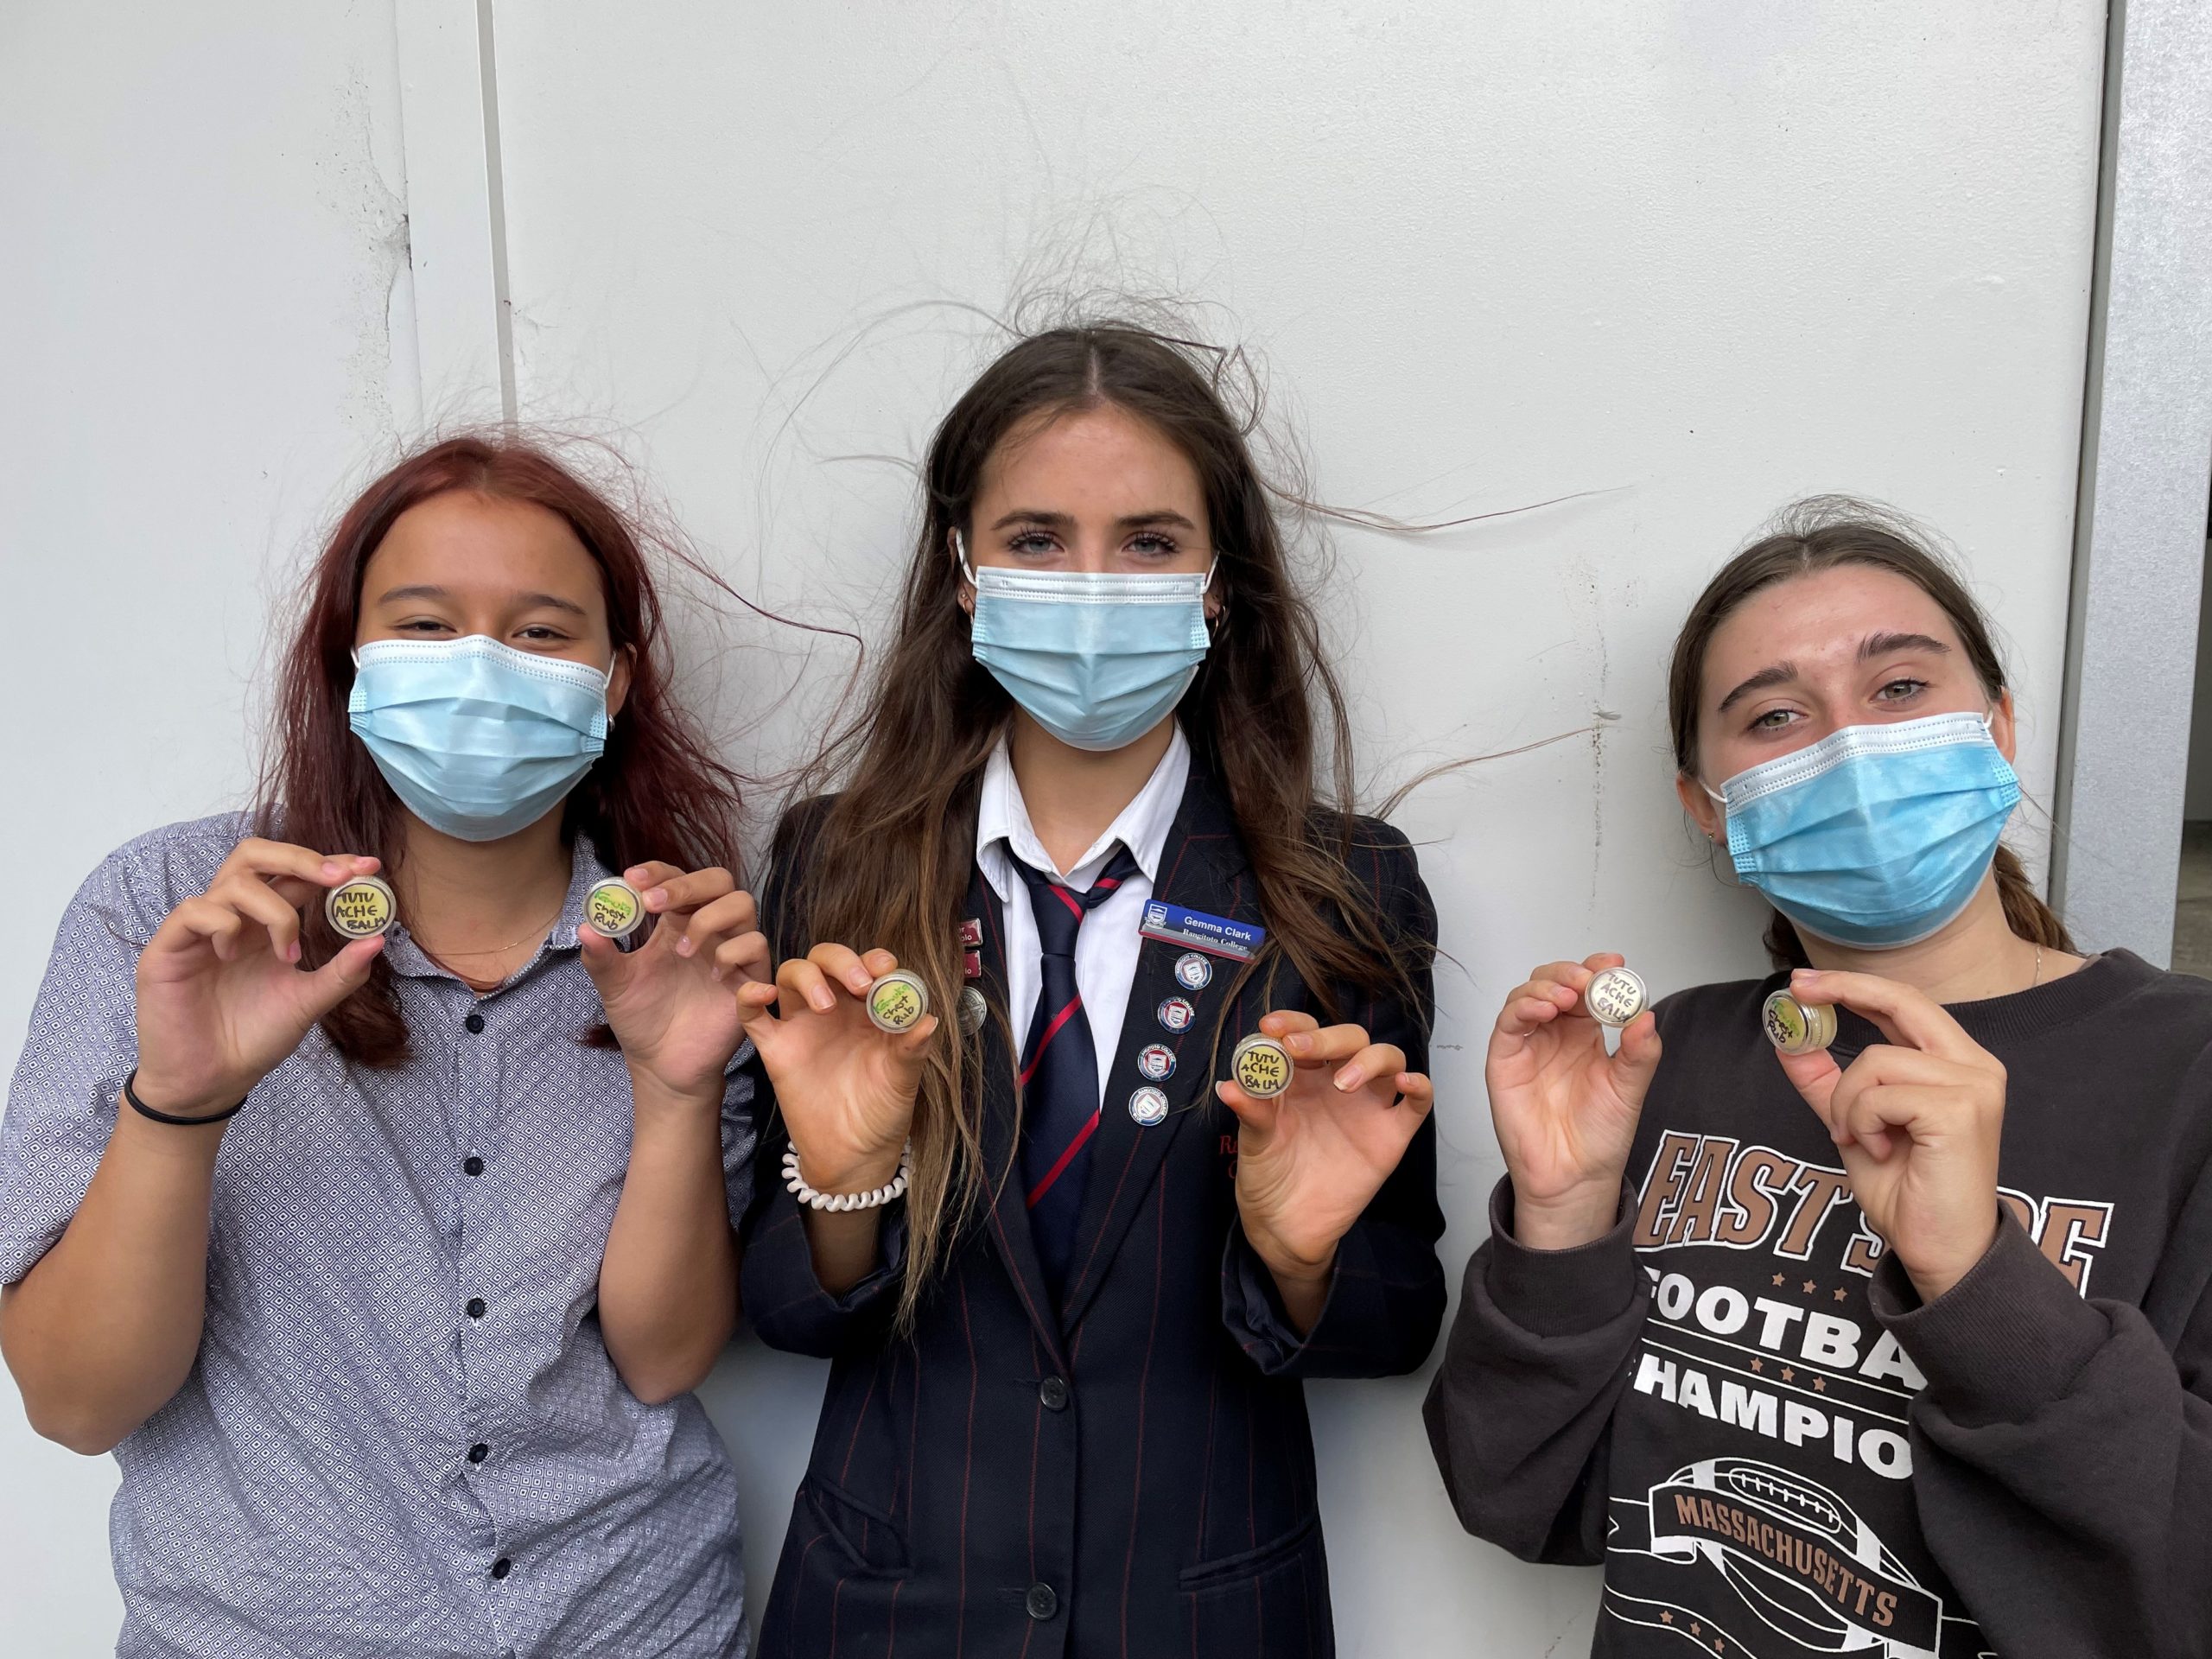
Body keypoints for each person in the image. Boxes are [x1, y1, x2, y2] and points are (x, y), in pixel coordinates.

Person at [733, 323, 1445, 1656]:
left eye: (1151, 542)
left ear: (1220, 585)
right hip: (885, 1614)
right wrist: (846, 1184)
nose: (1095, 586)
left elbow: (1399, 1314)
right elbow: (781, 1305)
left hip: (1208, 1622)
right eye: (1039, 539)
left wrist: (1298, 1259)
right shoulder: (841, 862)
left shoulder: (1345, 889)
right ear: (962, 572)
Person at [0, 435, 768, 1658]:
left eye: (540, 633)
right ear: (346, 655)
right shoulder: (166, 913)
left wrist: (673, 1091)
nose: (481, 670)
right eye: (423, 626)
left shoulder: (671, 946)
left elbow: (663, 1361)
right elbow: (77, 1400)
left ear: (614, 680)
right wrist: (183, 1104)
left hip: (630, 1621)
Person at [1425, 499, 2212, 1659]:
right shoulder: (1662, 1058)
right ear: (1708, 807)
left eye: (1900, 688)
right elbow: (1525, 1500)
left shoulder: (2187, 1076)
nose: (1848, 747)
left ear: (1997, 727)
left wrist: (1979, 1282)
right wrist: (1561, 1220)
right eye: (1776, 716)